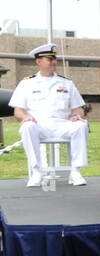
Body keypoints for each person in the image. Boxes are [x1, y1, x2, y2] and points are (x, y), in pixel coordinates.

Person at [8, 44, 88, 187]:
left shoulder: (66, 83)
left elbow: (78, 108)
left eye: (54, 59)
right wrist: (25, 117)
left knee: (80, 125)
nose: (53, 62)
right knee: (27, 127)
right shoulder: (27, 83)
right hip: (39, 125)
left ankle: (75, 171)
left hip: (62, 125)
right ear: (38, 62)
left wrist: (76, 115)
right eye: (49, 59)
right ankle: (36, 171)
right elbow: (18, 111)